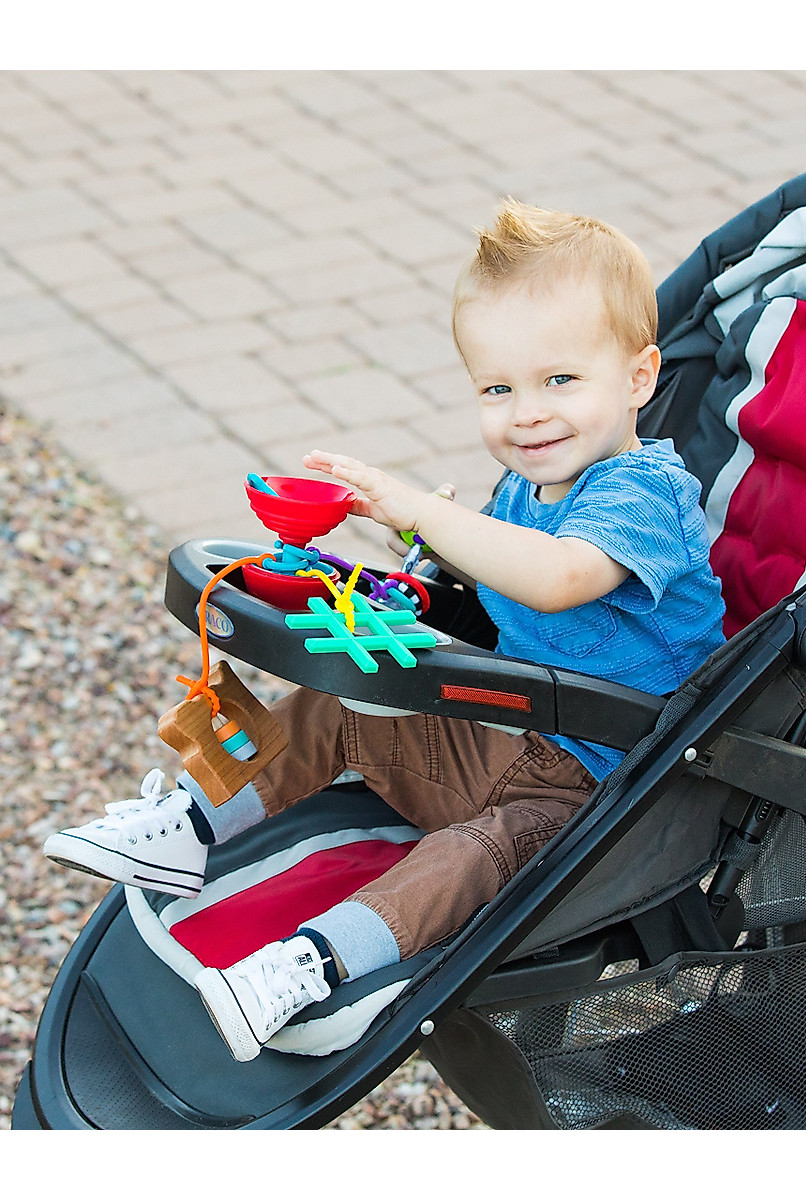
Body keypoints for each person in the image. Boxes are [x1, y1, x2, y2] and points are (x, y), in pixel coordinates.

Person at [44, 199, 727, 1063]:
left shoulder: (643, 492)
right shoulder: (526, 491)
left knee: (473, 857)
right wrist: (417, 556)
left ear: (638, 379)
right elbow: (493, 580)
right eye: (498, 389)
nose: (527, 414)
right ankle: (191, 826)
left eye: (560, 381)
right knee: (339, 698)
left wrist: (422, 510)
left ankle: (312, 962)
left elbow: (557, 579)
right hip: (502, 734)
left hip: (596, 790)